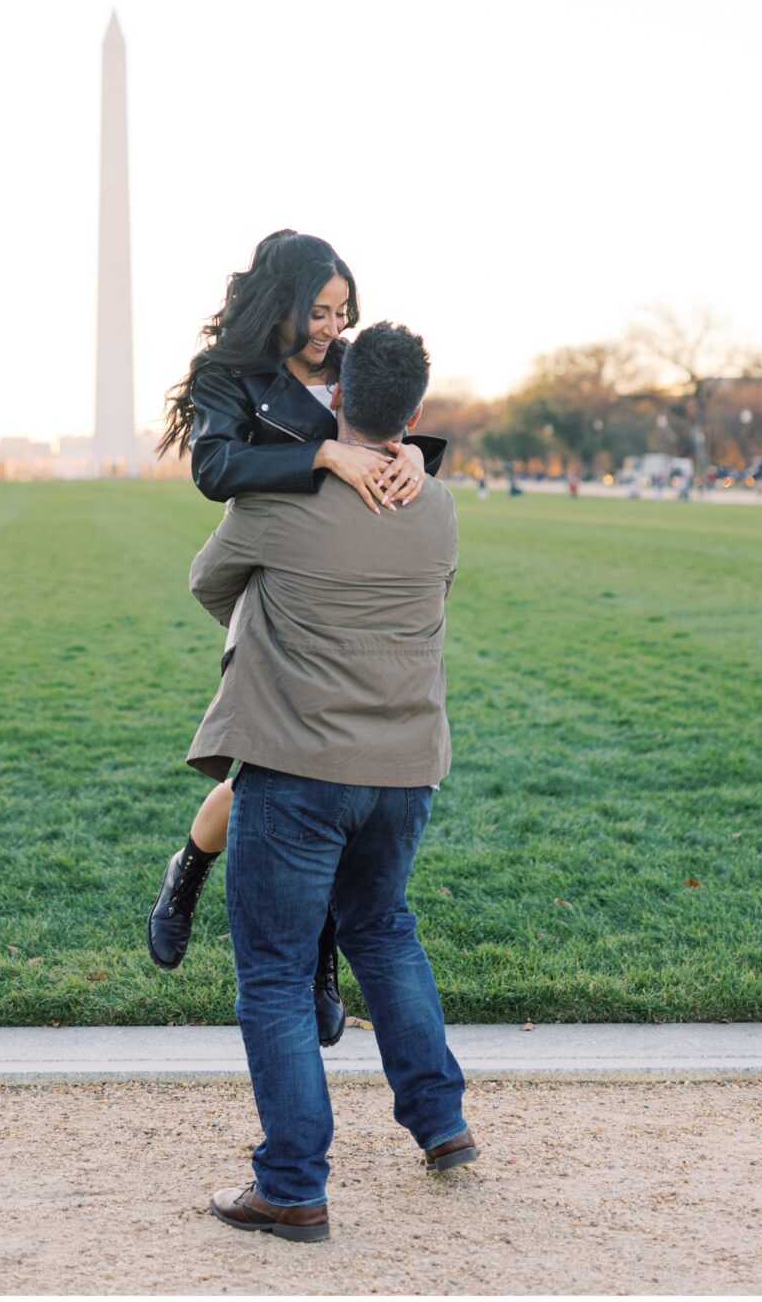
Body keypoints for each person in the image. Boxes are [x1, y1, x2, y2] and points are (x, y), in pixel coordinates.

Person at [186, 322, 474, 1242]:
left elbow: (207, 583)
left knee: (272, 975)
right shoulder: (436, 505)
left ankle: (291, 1184)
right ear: (416, 414)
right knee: (384, 933)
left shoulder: (284, 496)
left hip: (298, 765)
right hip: (403, 772)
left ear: (334, 397)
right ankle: (441, 1125)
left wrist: (282, 610)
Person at [147, 231, 447, 1048]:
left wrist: (417, 458)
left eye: (342, 311)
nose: (331, 327)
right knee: (276, 782)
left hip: (339, 585)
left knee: (294, 786)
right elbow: (215, 468)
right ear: (281, 302)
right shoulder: (231, 378)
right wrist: (317, 453)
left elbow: (390, 424)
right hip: (275, 586)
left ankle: (306, 952)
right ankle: (192, 875)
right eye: (318, 311)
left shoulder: (348, 364)